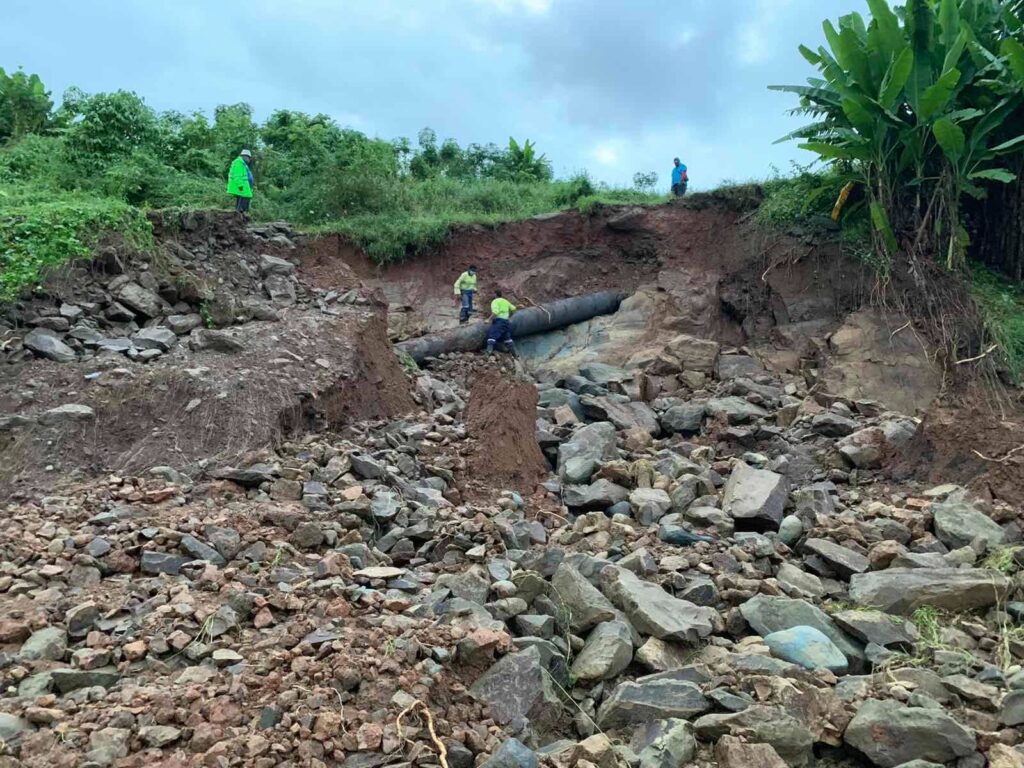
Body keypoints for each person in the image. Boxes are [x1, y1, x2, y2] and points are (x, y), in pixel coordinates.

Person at [486, 289, 517, 356]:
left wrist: (488, 319)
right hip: (506, 322)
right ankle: (515, 355)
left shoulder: (495, 301)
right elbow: (514, 309)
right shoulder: (505, 301)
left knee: (492, 336)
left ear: (495, 295)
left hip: (499, 321)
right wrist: (509, 317)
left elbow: (495, 312)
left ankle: (488, 354)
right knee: (507, 338)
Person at [227, 149, 254, 214]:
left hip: (244, 188)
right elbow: (237, 177)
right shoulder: (238, 163)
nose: (249, 159)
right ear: (245, 156)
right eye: (249, 157)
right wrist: (241, 187)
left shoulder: (243, 164)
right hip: (241, 188)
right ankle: (239, 218)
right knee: (241, 208)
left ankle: (242, 218)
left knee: (244, 205)